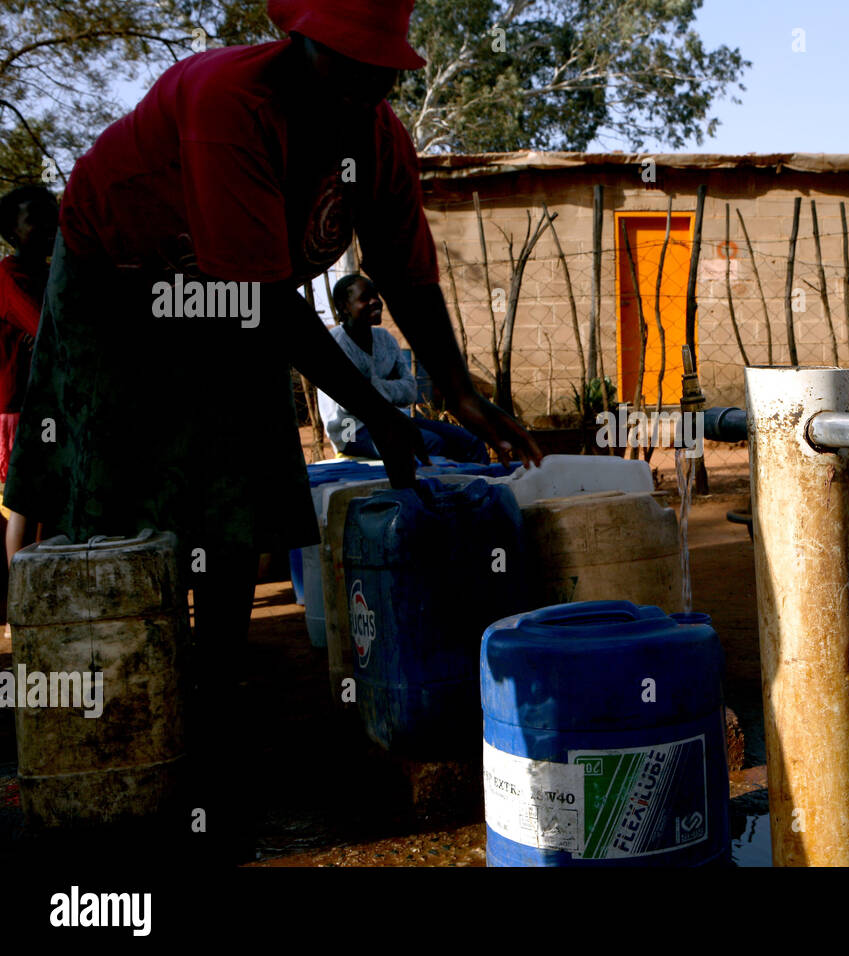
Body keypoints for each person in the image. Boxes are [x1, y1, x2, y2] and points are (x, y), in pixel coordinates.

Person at [3, 0, 543, 851]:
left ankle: (213, 734)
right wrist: (373, 415)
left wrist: (455, 392)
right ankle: (113, 727)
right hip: (119, 279)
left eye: (384, 68)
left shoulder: (376, 134)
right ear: (299, 42)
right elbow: (262, 306)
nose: (369, 83)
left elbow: (405, 267)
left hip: (237, 294)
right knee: (113, 508)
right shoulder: (232, 104)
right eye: (351, 62)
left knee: (239, 491)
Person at [317, 273, 489, 463]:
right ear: (344, 307)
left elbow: (409, 392)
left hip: (392, 420)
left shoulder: (385, 340)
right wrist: (386, 388)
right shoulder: (336, 345)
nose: (376, 302)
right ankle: (438, 490)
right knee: (432, 443)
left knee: (470, 442)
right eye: (365, 298)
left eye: (377, 296)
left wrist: (374, 386)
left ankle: (478, 490)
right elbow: (354, 402)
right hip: (351, 430)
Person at [0, 186, 56, 575]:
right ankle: (23, 599)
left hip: (47, 402)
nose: (50, 223)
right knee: (24, 501)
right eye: (35, 218)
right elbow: (46, 327)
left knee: (47, 501)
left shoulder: (51, 273)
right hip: (17, 406)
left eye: (52, 213)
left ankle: (41, 595)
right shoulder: (8, 275)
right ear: (11, 233)